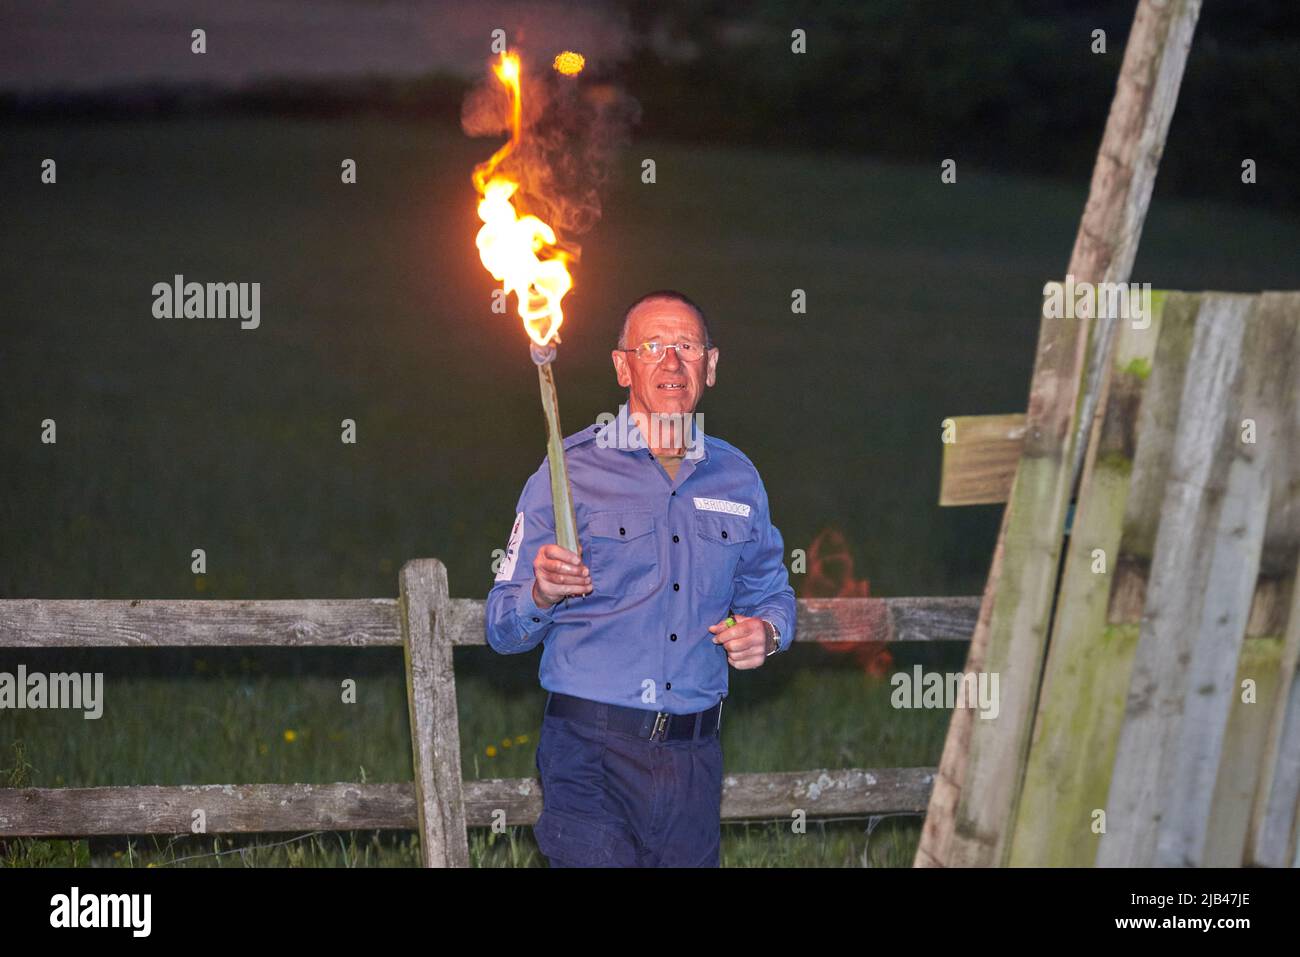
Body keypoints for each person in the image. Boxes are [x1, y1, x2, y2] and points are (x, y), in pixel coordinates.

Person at [485, 289, 796, 867]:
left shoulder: (738, 478)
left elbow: (773, 592)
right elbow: (502, 627)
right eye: (651, 347)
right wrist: (540, 592)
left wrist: (768, 632)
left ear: (712, 365)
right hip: (589, 751)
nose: (672, 363)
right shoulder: (568, 471)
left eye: (687, 346)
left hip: (694, 759)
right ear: (623, 365)